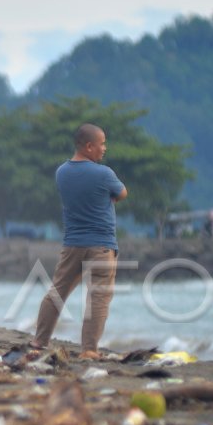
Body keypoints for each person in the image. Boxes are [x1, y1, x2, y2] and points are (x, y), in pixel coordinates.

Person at [29, 123, 127, 360]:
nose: (104, 149)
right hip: (102, 244)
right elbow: (122, 193)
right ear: (89, 146)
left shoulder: (62, 172)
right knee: (98, 297)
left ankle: (39, 342)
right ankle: (89, 350)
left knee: (57, 291)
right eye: (102, 144)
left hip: (73, 243)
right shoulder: (104, 174)